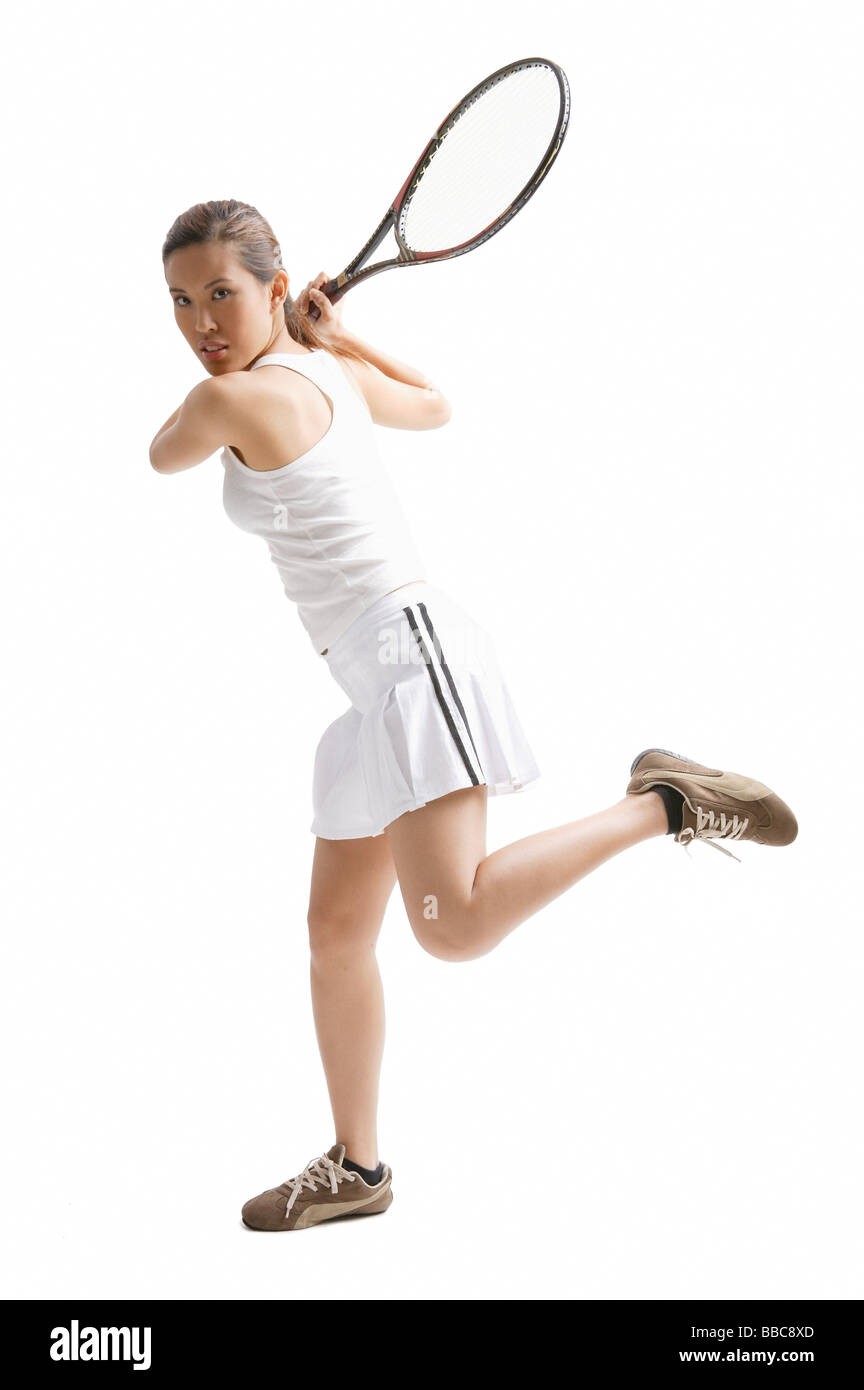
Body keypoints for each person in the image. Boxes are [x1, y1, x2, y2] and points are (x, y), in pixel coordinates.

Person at [152, 198, 798, 1234]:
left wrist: (285, 348)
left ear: (274, 288)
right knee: (333, 934)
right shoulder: (324, 374)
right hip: (372, 689)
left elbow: (162, 452)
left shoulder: (231, 399)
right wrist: (335, 337)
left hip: (412, 661)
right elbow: (435, 404)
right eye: (180, 301)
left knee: (452, 928)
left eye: (222, 294)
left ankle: (666, 804)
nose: (199, 323)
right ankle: (358, 1168)